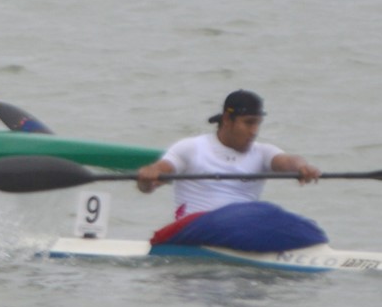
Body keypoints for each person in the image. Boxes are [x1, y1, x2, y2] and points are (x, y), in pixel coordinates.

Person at [136, 89, 327, 251]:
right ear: (228, 119)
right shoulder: (191, 148)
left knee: (312, 231)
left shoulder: (262, 152)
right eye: (248, 123)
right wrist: (148, 176)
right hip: (195, 228)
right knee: (261, 211)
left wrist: (302, 167)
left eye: (257, 123)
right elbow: (155, 177)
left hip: (243, 228)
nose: (254, 131)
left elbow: (287, 161)